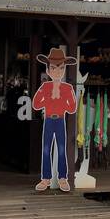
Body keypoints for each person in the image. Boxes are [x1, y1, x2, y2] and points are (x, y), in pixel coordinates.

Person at [31, 47, 77, 192]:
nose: (57, 71)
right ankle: (45, 179)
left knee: (62, 149)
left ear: (64, 70)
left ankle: (63, 178)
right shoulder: (45, 87)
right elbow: (36, 104)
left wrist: (62, 102)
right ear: (48, 70)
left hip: (60, 120)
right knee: (46, 149)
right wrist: (47, 101)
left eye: (61, 68)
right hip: (49, 120)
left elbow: (72, 107)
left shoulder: (68, 88)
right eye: (53, 68)